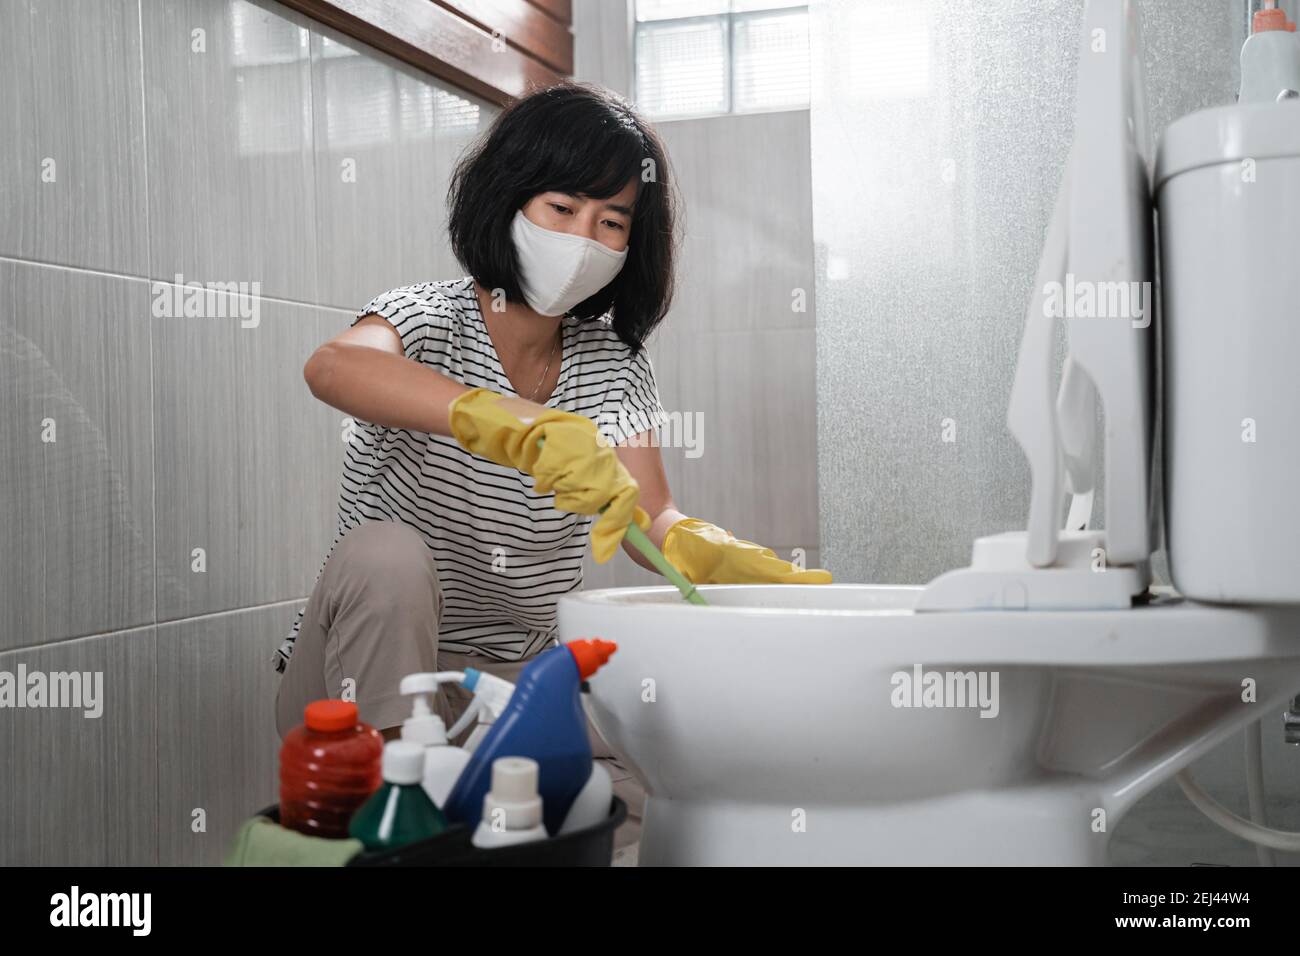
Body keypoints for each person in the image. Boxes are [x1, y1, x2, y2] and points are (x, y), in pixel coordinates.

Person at [274, 81, 830, 744]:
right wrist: (510, 420)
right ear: (508, 199)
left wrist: (707, 553)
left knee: (641, 797)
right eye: (561, 207)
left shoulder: (615, 364)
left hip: (509, 684)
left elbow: (646, 516)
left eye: (612, 222)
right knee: (383, 553)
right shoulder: (427, 320)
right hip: (361, 680)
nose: (583, 237)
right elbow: (332, 367)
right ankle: (401, 805)